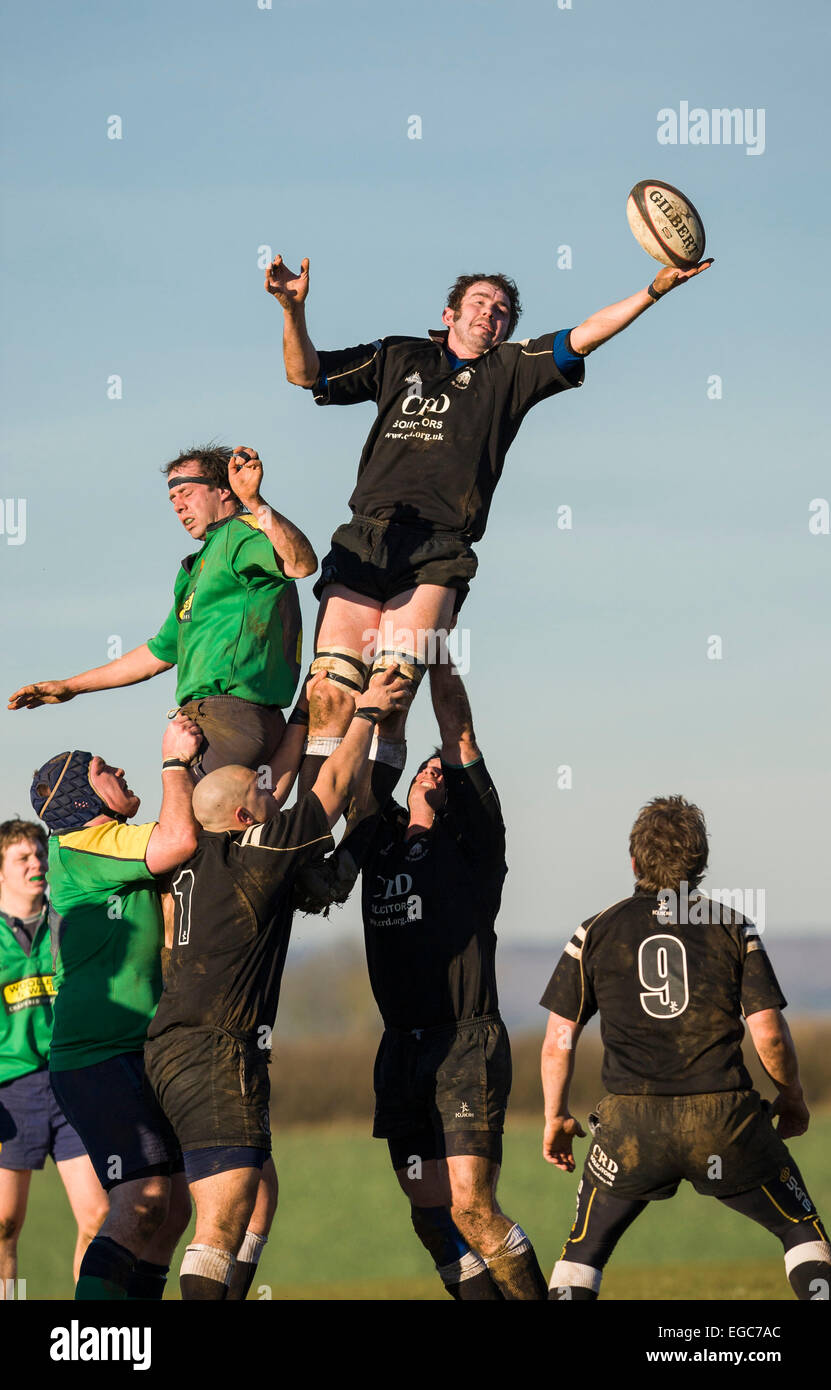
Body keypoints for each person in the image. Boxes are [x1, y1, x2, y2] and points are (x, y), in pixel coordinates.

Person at [264, 253, 714, 800]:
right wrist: (293, 308)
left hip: (439, 549)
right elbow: (304, 373)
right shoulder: (398, 354)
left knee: (390, 694)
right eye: (479, 301)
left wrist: (654, 290)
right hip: (368, 536)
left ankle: (360, 835)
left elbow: (586, 335)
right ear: (449, 312)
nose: (491, 312)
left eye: (502, 309)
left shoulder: (511, 367)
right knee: (330, 693)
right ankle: (309, 833)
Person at [143, 667, 412, 1300]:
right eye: (266, 803)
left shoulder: (198, 855)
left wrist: (302, 716)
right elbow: (336, 784)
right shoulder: (258, 853)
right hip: (214, 1049)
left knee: (260, 1197)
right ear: (245, 817)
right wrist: (367, 712)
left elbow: (280, 792)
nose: (278, 804)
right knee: (224, 1213)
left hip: (178, 1045)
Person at [540, 795, 830, 1302]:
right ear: (701, 863)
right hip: (724, 1120)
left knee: (582, 1253)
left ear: (633, 861)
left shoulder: (595, 930)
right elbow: (769, 1032)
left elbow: (558, 1041)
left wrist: (555, 1116)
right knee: (799, 1230)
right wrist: (792, 1095)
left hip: (631, 1128)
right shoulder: (731, 926)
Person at [359, 655, 547, 1300]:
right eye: (425, 766)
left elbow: (459, 735)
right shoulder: (378, 841)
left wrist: (434, 654)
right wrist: (385, 695)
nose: (435, 769)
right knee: (430, 1211)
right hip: (401, 1047)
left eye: (444, 768)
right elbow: (364, 775)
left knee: (471, 1206)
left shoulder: (474, 847)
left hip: (465, 1041)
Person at [9, 445, 317, 783]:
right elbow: (158, 654)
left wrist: (256, 502)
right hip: (238, 719)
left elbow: (302, 564)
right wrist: (70, 687)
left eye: (186, 492)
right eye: (172, 499)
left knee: (185, 830)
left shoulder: (241, 533)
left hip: (228, 717)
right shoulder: (197, 566)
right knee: (230, 832)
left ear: (225, 488)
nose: (179, 505)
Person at [31, 715, 203, 1300]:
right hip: (98, 1057)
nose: (120, 770)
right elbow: (179, 841)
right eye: (104, 769)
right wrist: (175, 763)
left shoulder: (103, 849)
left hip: (135, 1050)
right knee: (144, 1199)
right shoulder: (82, 843)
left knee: (172, 1208)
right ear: (81, 796)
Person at [0, 819, 108, 1296]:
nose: (36, 864)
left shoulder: (67, 920)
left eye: (39, 854)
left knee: (100, 1215)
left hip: (69, 1082)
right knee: (4, 1225)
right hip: (10, 1092)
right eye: (22, 858)